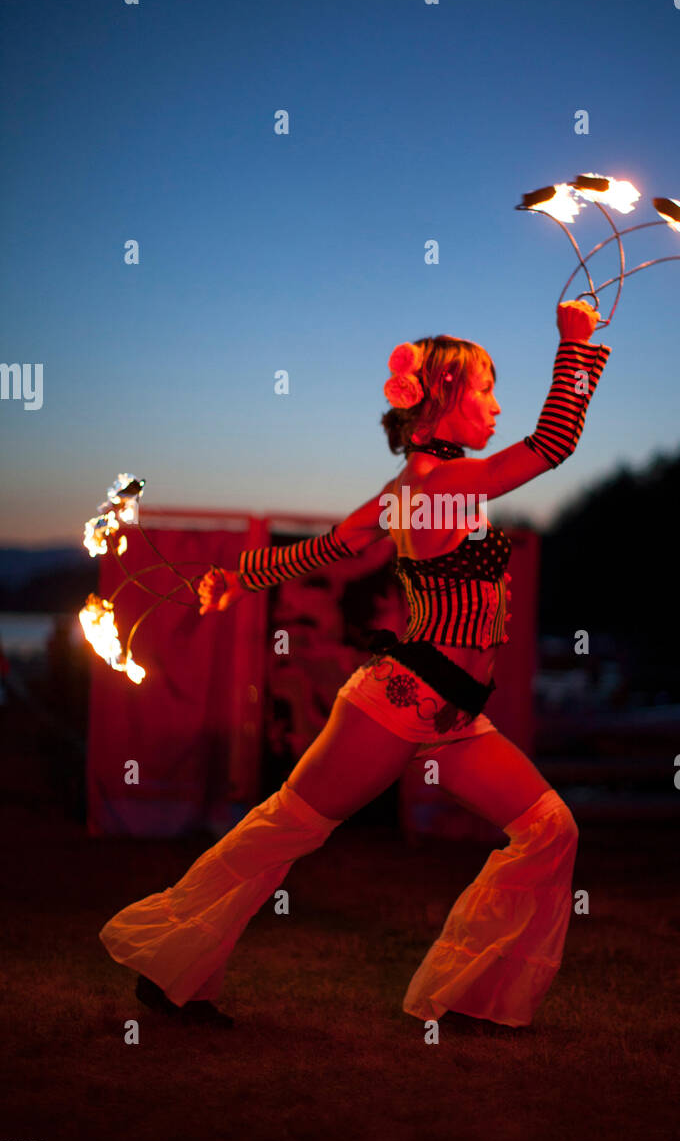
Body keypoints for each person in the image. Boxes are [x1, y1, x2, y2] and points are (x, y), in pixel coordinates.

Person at [98, 300, 611, 1029]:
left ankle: (471, 996)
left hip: (457, 712)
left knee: (551, 827)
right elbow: (555, 439)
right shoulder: (437, 490)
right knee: (285, 829)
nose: (497, 406)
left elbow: (328, 549)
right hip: (400, 698)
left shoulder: (412, 492)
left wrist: (235, 575)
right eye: (485, 390)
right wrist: (575, 348)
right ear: (438, 401)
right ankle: (168, 966)